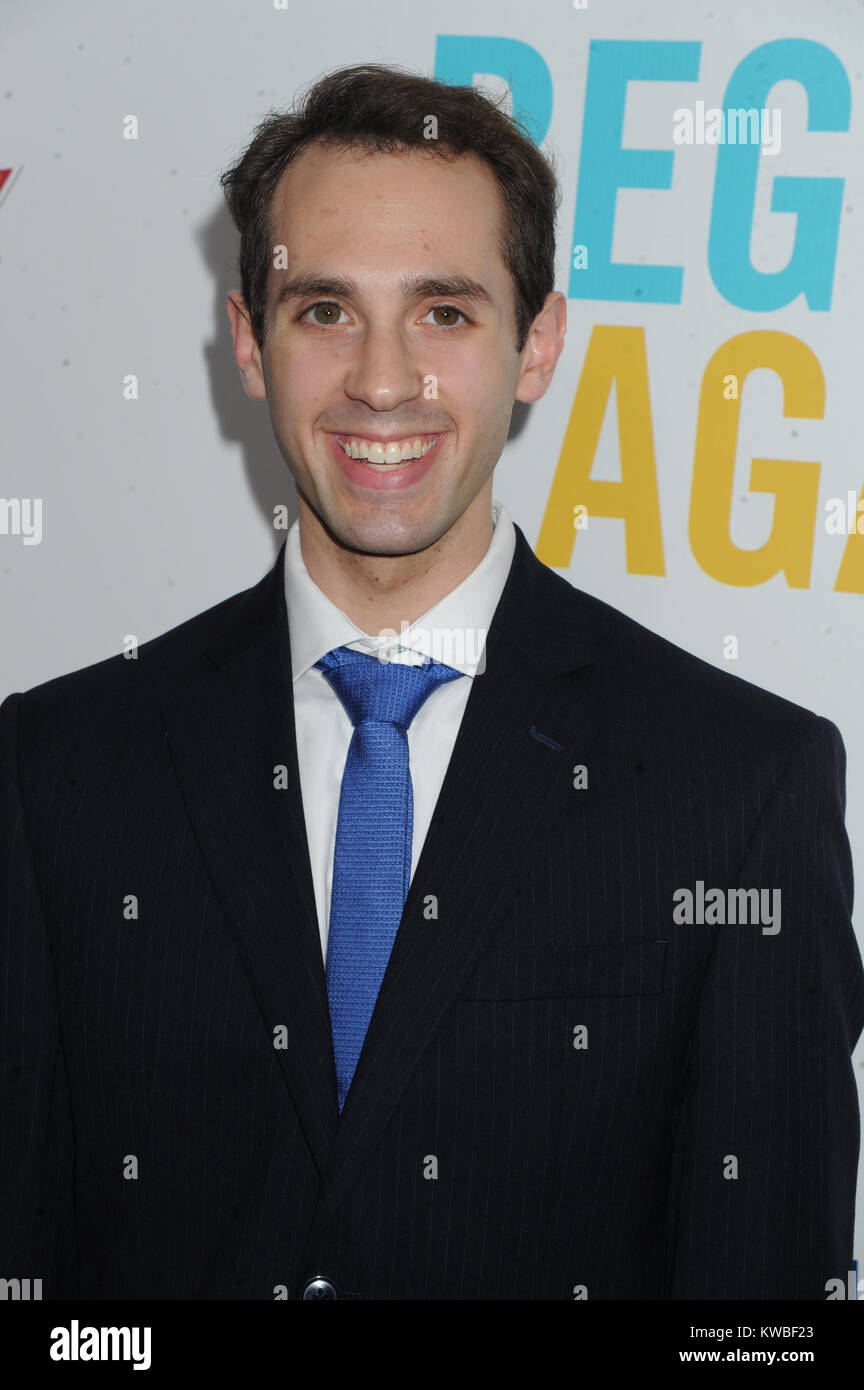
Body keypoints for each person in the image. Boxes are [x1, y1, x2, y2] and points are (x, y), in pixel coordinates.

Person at [1, 62, 862, 1302]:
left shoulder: (739, 788)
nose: (384, 381)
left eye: (445, 312)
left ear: (538, 344)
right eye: (325, 310)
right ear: (249, 343)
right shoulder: (57, 770)